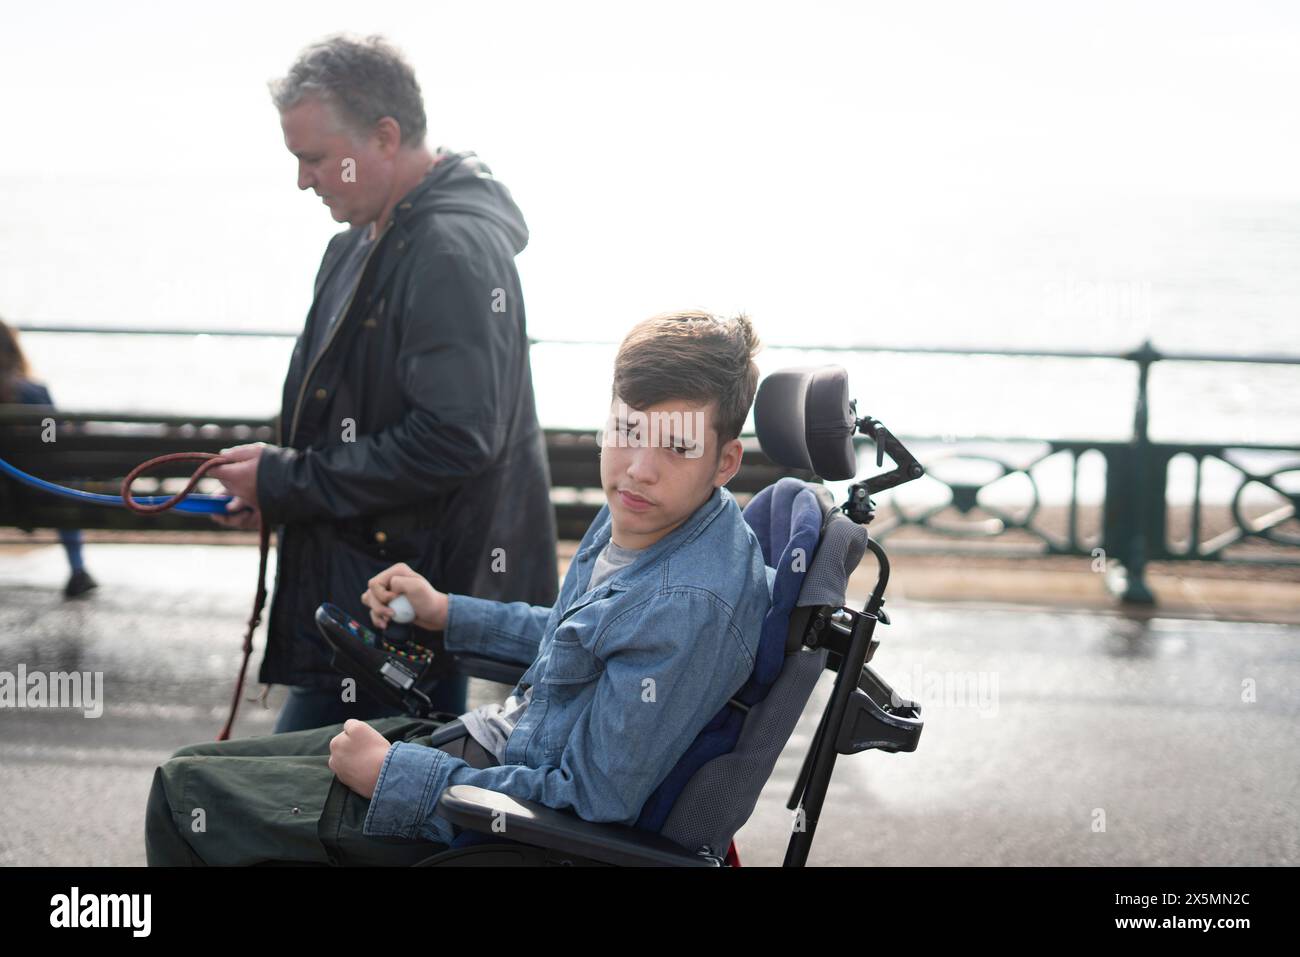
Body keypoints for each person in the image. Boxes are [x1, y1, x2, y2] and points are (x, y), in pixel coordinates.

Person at [144, 311, 771, 865]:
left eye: (676, 446)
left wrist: (398, 775)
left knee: (182, 795)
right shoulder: (653, 515)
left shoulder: (686, 606)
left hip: (490, 814)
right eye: (628, 430)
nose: (638, 466)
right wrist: (448, 613)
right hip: (485, 748)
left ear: (725, 461)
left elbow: (591, 803)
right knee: (200, 764)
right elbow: (575, 639)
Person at [207, 35, 558, 733]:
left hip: (396, 612)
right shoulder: (355, 244)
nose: (305, 180)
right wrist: (278, 491)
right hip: (362, 597)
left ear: (385, 135)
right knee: (353, 823)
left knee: (306, 819)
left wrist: (288, 482)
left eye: (312, 158)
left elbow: (455, 439)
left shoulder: (451, 250)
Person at [0, 318, 98, 598]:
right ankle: (78, 570)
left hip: (6, 492)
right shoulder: (35, 392)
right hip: (40, 491)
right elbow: (51, 442)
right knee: (65, 483)